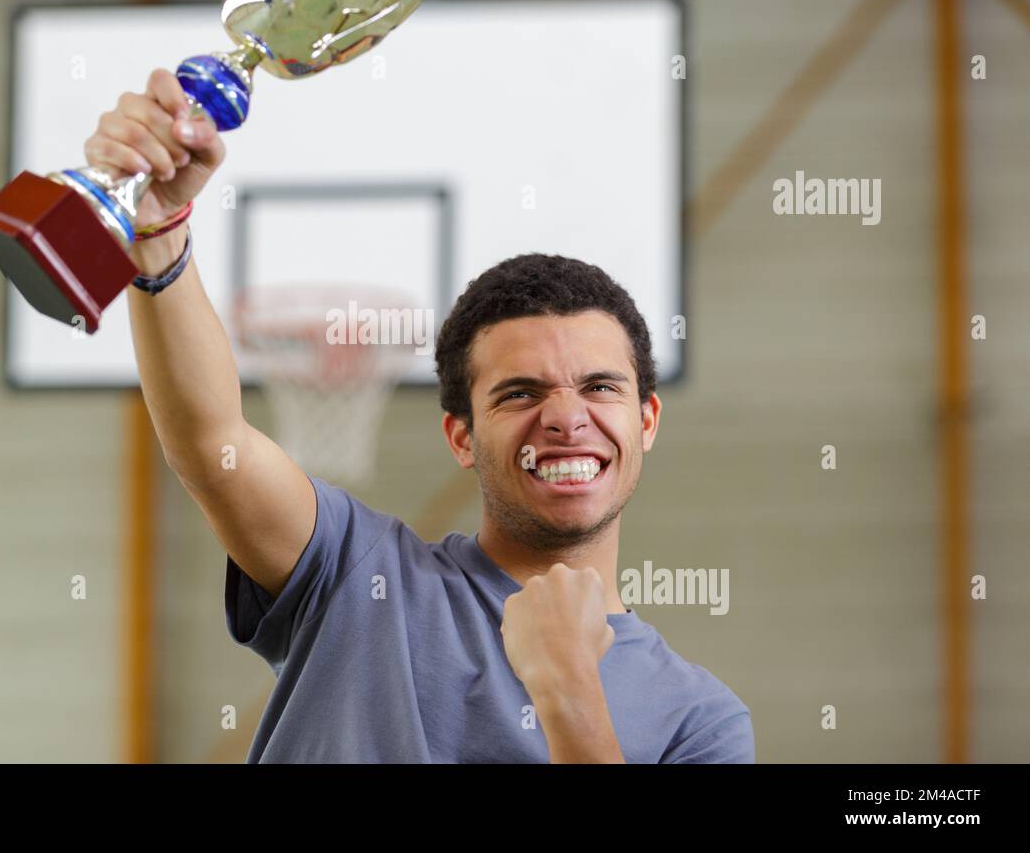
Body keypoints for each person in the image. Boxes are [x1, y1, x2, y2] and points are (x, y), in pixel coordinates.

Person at [89, 68, 755, 764]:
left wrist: (567, 687)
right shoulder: (353, 572)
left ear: (647, 419)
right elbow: (210, 443)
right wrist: (159, 234)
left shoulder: (701, 723)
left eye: (598, 387)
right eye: (520, 393)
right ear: (461, 437)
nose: (565, 417)